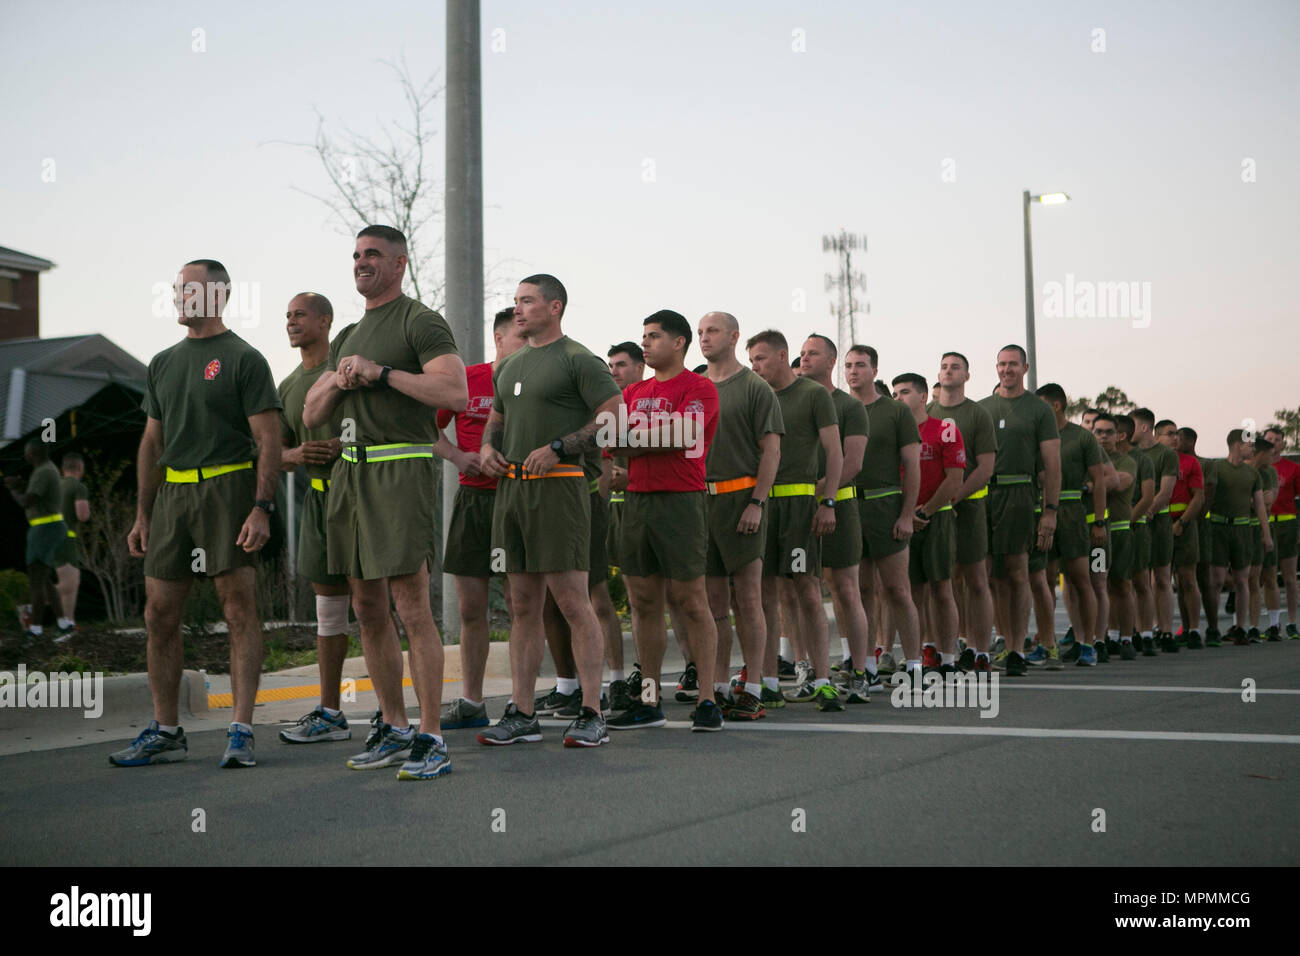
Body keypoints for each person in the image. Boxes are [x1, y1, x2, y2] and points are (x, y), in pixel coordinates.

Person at [303, 226, 468, 780]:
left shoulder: (419, 321)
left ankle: (432, 738)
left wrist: (382, 374)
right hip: (351, 477)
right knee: (367, 608)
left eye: (372, 254)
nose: (361, 262)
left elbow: (454, 394)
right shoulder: (350, 331)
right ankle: (395, 726)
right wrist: (340, 380)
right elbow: (310, 414)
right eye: (355, 255)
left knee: (412, 607)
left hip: (401, 472)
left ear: (399, 262)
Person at [112, 259, 282, 768]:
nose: (176, 295)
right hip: (173, 497)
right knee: (158, 613)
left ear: (217, 294)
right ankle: (165, 731)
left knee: (237, 610)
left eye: (186, 288)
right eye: (175, 288)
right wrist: (143, 514)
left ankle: (241, 730)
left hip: (227, 489)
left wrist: (261, 507)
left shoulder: (244, 358)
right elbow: (151, 440)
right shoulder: (163, 361)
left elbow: (268, 439)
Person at [476, 274, 622, 747]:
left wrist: (560, 446)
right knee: (522, 607)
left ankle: (592, 712)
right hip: (513, 491)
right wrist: (487, 450)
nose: (517, 309)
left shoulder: (579, 358)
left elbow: (614, 416)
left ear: (554, 307)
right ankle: (521, 712)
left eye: (527, 301)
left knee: (573, 602)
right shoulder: (511, 364)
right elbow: (496, 420)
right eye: (515, 302)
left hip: (560, 489)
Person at [608, 310, 722, 731]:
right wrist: (653, 438)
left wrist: (634, 439)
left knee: (692, 600)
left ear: (678, 343)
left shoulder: (700, 387)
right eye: (643, 336)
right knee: (643, 603)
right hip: (636, 501)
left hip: (682, 501)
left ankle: (708, 698)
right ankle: (650, 699)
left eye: (653, 336)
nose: (645, 343)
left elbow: (685, 435)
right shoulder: (634, 390)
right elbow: (608, 439)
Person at [433, 308, 526, 729]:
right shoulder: (469, 378)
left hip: (519, 499)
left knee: (520, 603)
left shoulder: (537, 382)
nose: (528, 346)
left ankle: (522, 703)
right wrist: (459, 456)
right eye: (520, 338)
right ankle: (471, 701)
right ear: (499, 339)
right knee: (471, 607)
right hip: (474, 502)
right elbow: (424, 427)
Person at [746, 330, 843, 711]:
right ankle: (768, 681)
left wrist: (828, 501)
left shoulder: (813, 395)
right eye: (751, 360)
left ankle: (823, 680)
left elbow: (834, 453)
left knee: (807, 590)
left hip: (800, 510)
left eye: (761, 359)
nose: (755, 367)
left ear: (783, 356)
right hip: (761, 507)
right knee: (763, 594)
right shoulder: (756, 394)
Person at [697, 312, 784, 718]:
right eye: (699, 332)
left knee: (748, 598)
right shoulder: (695, 386)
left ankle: (752, 687)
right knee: (712, 601)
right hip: (700, 502)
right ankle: (715, 685)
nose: (704, 338)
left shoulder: (755, 387)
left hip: (740, 499)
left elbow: (771, 451)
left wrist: (757, 502)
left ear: (734, 336)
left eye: (711, 331)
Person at [276, 292, 353, 744]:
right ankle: (330, 712)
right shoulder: (286, 386)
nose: (291, 322)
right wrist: (296, 453)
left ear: (324, 321)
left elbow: (379, 427)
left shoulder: (345, 372)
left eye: (299, 315)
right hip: (318, 502)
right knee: (329, 613)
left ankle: (393, 715)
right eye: (287, 316)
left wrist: (347, 447)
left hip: (360, 497)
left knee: (375, 606)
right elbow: (274, 453)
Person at [978, 345, 1060, 677]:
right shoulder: (982, 408)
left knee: (1017, 573)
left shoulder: (1038, 411)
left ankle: (1016, 648)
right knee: (990, 576)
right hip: (983, 495)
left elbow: (1052, 466)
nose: (1006, 369)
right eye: (1001, 364)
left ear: (1025, 367)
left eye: (1013, 364)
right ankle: (996, 642)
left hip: (1020, 494)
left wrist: (1050, 512)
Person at [799, 335, 871, 702]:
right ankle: (810, 670)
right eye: (801, 353)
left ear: (831, 360)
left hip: (837, 507)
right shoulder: (790, 398)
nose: (804, 358)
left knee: (845, 590)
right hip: (795, 512)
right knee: (802, 590)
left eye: (812, 353)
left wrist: (821, 496)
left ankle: (859, 671)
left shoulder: (848, 406)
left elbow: (853, 462)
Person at [845, 346, 923, 685]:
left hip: (886, 504)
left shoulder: (895, 411)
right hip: (849, 505)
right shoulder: (839, 408)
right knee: (859, 591)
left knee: (897, 590)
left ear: (874, 370)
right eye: (848, 366)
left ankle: (915, 664)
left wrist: (907, 515)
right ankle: (867, 665)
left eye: (860, 365)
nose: (853, 371)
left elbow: (912, 466)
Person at [892, 373, 965, 674]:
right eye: (894, 393)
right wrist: (907, 514)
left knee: (942, 589)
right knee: (911, 592)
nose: (898, 398)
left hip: (937, 517)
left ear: (923, 397)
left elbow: (955, 478)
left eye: (904, 392)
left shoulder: (945, 428)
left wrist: (926, 511)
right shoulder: (893, 431)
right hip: (902, 518)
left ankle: (949, 659)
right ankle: (919, 656)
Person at [929, 352, 997, 672]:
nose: (948, 371)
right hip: (934, 510)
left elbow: (985, 467)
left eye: (955, 367)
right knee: (942, 579)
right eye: (944, 366)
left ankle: (980, 649)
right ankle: (946, 647)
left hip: (968, 506)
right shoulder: (928, 413)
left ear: (967, 376)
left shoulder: (977, 414)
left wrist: (954, 497)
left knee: (976, 579)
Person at [1035, 384, 1106, 666]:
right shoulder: (1036, 435)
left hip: (1073, 512)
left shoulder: (1081, 437)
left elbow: (1100, 480)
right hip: (1042, 512)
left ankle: (1087, 643)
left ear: (1055, 406)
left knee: (1080, 579)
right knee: (1043, 581)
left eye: (1041, 405)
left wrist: (1099, 521)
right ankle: (1046, 643)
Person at [1204, 429, 1273, 645]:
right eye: (1249, 445)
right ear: (1236, 445)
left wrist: (1266, 534)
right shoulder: (1216, 468)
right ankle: (1213, 628)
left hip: (1242, 531)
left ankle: (1240, 627)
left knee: (1243, 580)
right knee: (1215, 581)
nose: (1252, 449)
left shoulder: (1253, 474)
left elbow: (1260, 505)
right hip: (1218, 528)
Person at [6, 440, 69, 640]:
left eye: (27, 453)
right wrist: (22, 485)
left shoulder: (43, 472)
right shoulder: (48, 469)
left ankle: (35, 629)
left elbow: (27, 501)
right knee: (45, 579)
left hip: (44, 528)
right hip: (49, 527)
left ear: (32, 454)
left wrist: (12, 489)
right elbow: (39, 495)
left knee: (36, 579)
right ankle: (63, 623)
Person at [1132, 409, 1179, 651]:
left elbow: (1166, 491)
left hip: (1158, 521)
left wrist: (1147, 511)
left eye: (1131, 425)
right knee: (1137, 579)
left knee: (1161, 577)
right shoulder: (1129, 454)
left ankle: (1167, 631)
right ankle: (1142, 630)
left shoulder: (1166, 455)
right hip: (1134, 524)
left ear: (1142, 427)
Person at [1092, 414, 1138, 658]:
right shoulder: (1088, 458)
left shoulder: (1127, 461)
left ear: (1118, 435)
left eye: (1109, 432)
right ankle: (1104, 637)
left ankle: (1127, 638)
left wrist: (1092, 483)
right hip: (1095, 534)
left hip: (1119, 532)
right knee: (1099, 585)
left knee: (1121, 584)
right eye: (1098, 431)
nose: (1103, 437)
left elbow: (1119, 483)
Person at [1159, 420, 1205, 647]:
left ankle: (1194, 629)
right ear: (1157, 436)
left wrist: (1183, 523)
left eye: (1176, 433)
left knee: (1187, 579)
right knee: (1159, 580)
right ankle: (1161, 630)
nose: (1175, 438)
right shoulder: (1151, 459)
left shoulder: (1190, 462)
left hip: (1182, 524)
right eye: (1169, 434)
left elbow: (1198, 496)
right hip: (1158, 523)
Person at [1262, 426, 1299, 639]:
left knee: (1290, 577)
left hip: (1287, 524)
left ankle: (1292, 622)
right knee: (1268, 576)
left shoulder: (1292, 468)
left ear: (1283, 444)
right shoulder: (1258, 468)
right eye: (1269, 439)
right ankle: (1273, 622)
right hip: (1266, 523)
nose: (1273, 443)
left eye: (1277, 440)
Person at [54, 453, 91, 635]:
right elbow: (82, 515)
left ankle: (68, 622)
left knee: (73, 581)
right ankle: (30, 605)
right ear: (80, 469)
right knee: (68, 583)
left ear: (63, 468)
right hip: (65, 538)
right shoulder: (78, 487)